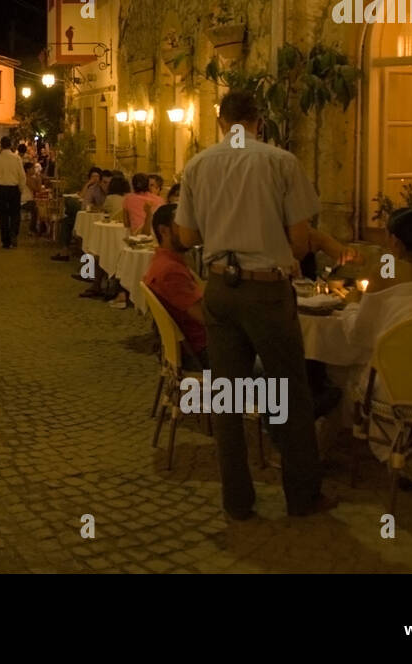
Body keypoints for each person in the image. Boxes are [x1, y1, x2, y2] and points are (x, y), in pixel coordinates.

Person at [175, 89, 332, 519]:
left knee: (228, 396)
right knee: (288, 393)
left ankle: (237, 501)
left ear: (222, 122)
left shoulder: (198, 165)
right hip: (266, 288)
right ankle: (302, 496)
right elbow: (300, 241)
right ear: (258, 121)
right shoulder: (281, 162)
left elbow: (186, 237)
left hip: (221, 287)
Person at [341, 207, 412, 482]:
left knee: (344, 372)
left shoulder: (384, 273)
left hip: (395, 388)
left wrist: (350, 306)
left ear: (393, 240)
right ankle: (408, 445)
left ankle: (386, 449)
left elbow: (358, 335)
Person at [142, 204, 209, 368]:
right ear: (164, 231)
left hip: (199, 346)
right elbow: (206, 317)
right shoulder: (170, 271)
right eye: (182, 226)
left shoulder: (164, 262)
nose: (190, 232)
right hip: (204, 352)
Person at [51, 167, 103, 262]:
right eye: (93, 176)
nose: (95, 178)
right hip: (86, 214)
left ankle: (65, 252)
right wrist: (88, 184)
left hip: (95, 217)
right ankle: (64, 251)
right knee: (66, 221)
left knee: (69, 207)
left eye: (97, 176)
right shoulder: (91, 188)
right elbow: (82, 197)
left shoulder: (103, 188)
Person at [0, 135, 28, 249]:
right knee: (15, 214)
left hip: (1, 189)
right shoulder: (16, 158)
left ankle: (5, 241)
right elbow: (22, 176)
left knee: (3, 215)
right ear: (10, 145)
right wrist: (21, 189)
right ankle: (14, 233)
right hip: (14, 188)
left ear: (1, 146)